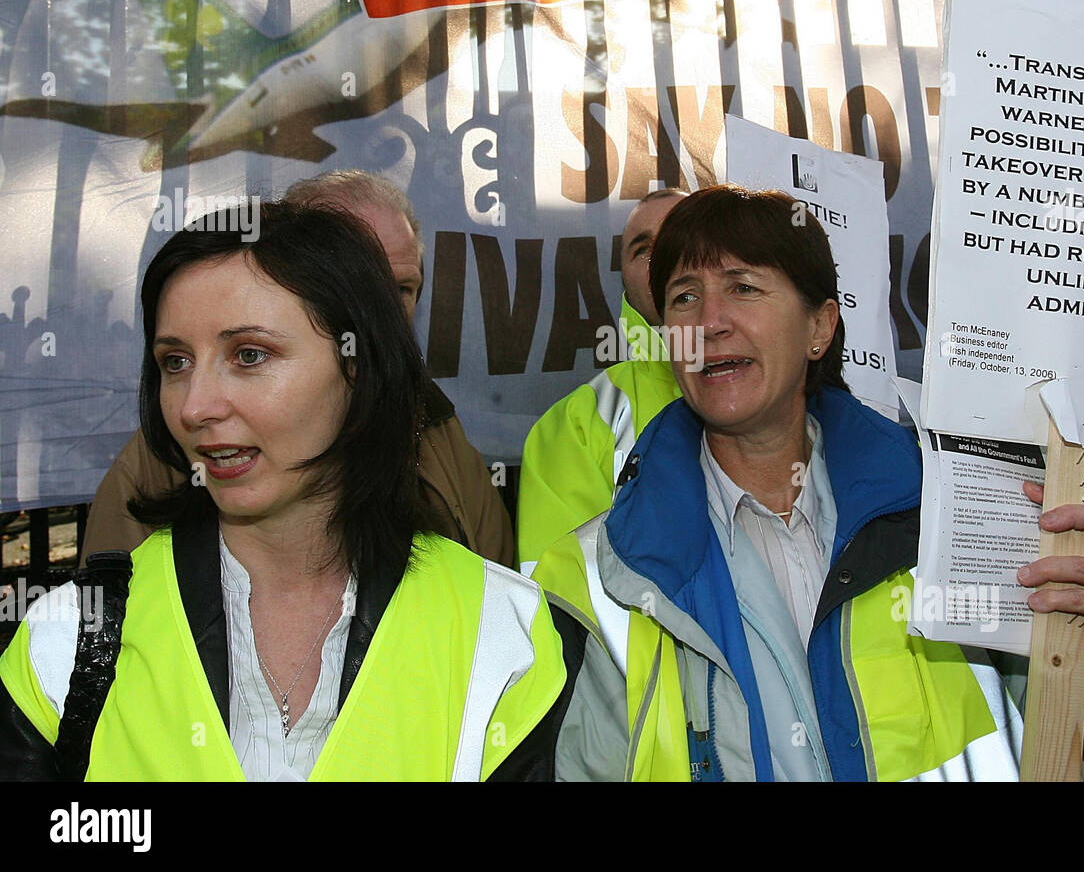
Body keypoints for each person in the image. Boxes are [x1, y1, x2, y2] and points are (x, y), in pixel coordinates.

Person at [535, 185, 1084, 781]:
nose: (709, 322)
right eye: (684, 296)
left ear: (820, 327)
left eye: (743, 286)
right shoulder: (600, 574)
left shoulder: (959, 517)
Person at [0, 204, 564, 780]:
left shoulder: (504, 630)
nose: (196, 406)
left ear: (359, 367)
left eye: (249, 355)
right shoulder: (70, 636)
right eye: (175, 362)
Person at [82, 169, 516, 568]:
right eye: (175, 362)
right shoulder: (175, 454)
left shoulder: (436, 428)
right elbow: (109, 630)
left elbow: (498, 604)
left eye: (400, 289)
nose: (376, 315)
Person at [516, 188, 687, 570]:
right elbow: (560, 598)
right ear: (624, 280)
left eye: (683, 237)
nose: (663, 259)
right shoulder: (574, 426)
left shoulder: (777, 391)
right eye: (643, 250)